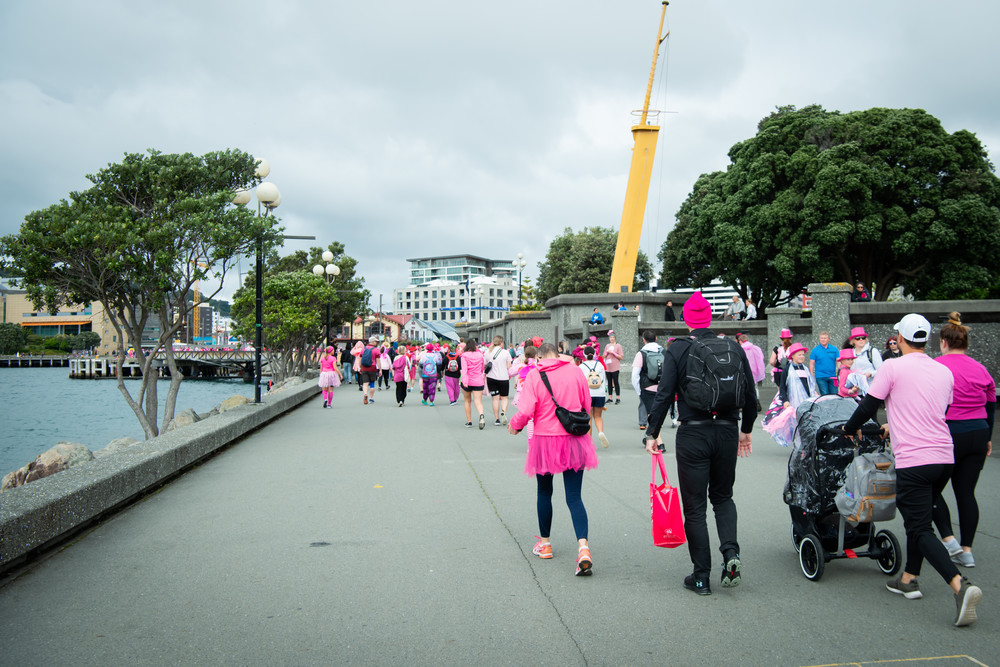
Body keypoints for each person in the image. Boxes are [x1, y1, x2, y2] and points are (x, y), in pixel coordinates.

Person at [843, 314, 983, 626]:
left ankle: (960, 585)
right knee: (919, 519)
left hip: (915, 460)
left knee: (920, 528)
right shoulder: (942, 369)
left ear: (901, 338)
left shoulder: (893, 366)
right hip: (944, 457)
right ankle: (909, 578)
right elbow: (938, 409)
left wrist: (849, 429)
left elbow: (869, 405)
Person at [642, 291, 757, 595]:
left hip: (693, 433)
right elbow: (751, 397)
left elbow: (664, 395)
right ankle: (731, 553)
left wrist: (652, 433)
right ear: (710, 318)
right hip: (728, 431)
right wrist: (745, 430)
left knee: (694, 507)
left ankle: (701, 576)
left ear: (687, 320)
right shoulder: (733, 347)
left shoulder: (678, 349)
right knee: (723, 497)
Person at [508, 342, 599, 577]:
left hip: (545, 440)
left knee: (544, 492)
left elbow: (527, 410)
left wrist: (514, 425)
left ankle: (545, 544)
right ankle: (584, 548)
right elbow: (586, 404)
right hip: (573, 439)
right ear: (558, 355)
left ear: (538, 357)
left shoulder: (536, 375)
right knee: (574, 497)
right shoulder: (575, 371)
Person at [931, 312, 996, 569]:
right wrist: (988, 437)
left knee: (930, 490)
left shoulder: (938, 366)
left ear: (943, 342)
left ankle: (949, 540)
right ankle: (967, 550)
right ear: (966, 344)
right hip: (979, 432)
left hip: (950, 432)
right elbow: (991, 406)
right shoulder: (981, 368)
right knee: (966, 492)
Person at [631, 330, 664, 431]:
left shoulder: (641, 354)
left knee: (647, 409)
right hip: (662, 387)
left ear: (644, 339)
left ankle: (646, 428)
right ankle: (655, 434)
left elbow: (635, 375)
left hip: (647, 386)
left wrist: (639, 390)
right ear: (656, 338)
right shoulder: (664, 352)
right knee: (658, 413)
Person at [579, 345, 610, 448]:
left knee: (589, 418)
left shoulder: (581, 366)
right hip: (600, 394)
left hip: (587, 394)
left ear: (584, 355)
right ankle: (600, 432)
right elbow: (604, 381)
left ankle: (589, 442)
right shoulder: (600, 365)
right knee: (598, 416)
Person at [485, 335, 513, 425]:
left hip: (491, 378)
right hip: (503, 378)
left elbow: (485, 365)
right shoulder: (506, 353)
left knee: (495, 399)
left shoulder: (487, 352)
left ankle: (496, 419)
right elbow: (509, 366)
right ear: (502, 343)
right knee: (504, 398)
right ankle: (503, 412)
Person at [460, 337, 487, 429]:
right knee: (478, 401)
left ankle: (469, 421)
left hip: (467, 381)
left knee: (467, 401)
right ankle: (481, 415)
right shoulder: (480, 355)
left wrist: (465, 382)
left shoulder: (464, 356)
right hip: (478, 381)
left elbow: (464, 370)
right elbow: (482, 368)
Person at [737, 334, 765, 412]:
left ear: (740, 341)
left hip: (743, 371)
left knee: (742, 387)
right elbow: (761, 359)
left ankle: (743, 404)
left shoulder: (740, 349)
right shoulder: (756, 348)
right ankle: (756, 402)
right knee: (754, 387)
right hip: (754, 372)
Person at [808, 331, 840, 395]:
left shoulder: (834, 349)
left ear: (828, 339)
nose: (823, 340)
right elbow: (811, 364)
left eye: (825, 338)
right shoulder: (815, 350)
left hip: (833, 376)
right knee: (825, 395)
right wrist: (812, 376)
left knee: (835, 395)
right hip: (820, 377)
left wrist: (840, 374)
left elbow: (838, 362)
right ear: (819, 339)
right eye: (821, 338)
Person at [356, 336, 381, 405]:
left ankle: (365, 394)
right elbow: (378, 361)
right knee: (372, 383)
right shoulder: (376, 350)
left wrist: (360, 367)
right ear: (372, 342)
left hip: (364, 367)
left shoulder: (363, 349)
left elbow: (360, 358)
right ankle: (370, 398)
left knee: (365, 383)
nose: (376, 343)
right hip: (372, 368)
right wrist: (380, 369)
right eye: (375, 341)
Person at [602, 330, 624, 405]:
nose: (612, 339)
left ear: (615, 338)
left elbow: (621, 357)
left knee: (616, 382)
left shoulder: (618, 346)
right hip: (608, 366)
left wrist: (614, 353)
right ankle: (610, 397)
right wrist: (607, 353)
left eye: (613, 337)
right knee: (609, 383)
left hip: (615, 366)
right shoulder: (607, 346)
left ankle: (618, 397)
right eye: (610, 337)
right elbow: (603, 356)